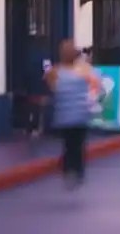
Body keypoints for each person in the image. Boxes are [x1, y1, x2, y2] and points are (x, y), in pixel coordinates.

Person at [44, 40, 99, 189]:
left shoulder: (56, 71)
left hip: (64, 115)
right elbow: (96, 83)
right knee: (79, 144)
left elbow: (51, 84)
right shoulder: (84, 70)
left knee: (68, 144)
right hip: (81, 114)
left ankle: (68, 170)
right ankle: (78, 171)